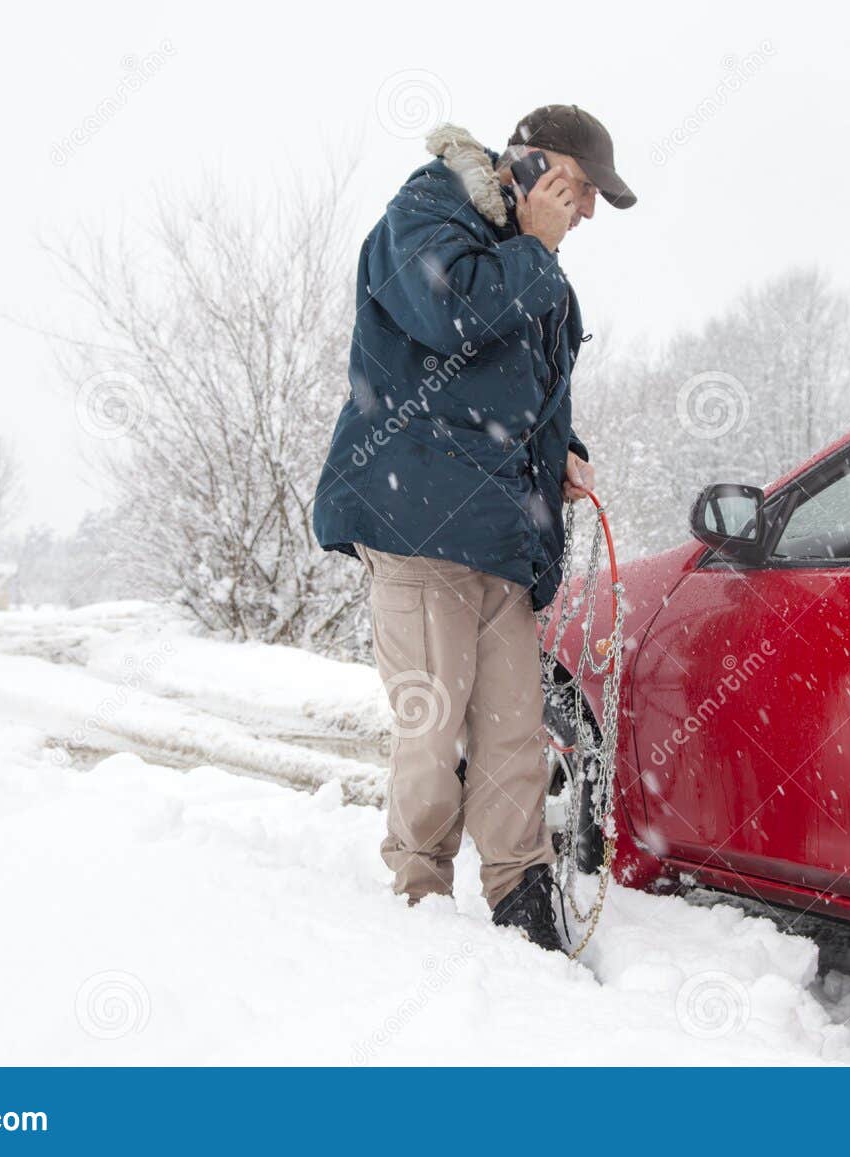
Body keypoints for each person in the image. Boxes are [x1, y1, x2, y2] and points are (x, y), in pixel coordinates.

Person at [312, 105, 636, 950]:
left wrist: (564, 452)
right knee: (432, 725)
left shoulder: (532, 256)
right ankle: (418, 897)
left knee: (514, 732)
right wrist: (533, 245)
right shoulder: (429, 209)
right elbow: (450, 314)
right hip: (420, 521)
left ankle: (520, 893)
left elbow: (517, 389)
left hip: (501, 533)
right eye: (584, 189)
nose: (588, 211)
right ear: (535, 166)